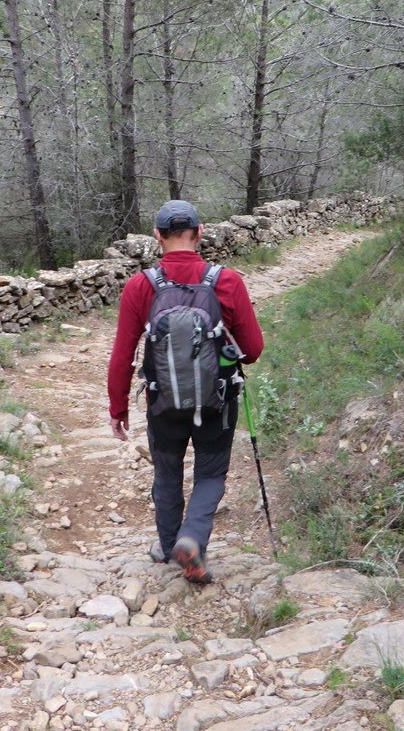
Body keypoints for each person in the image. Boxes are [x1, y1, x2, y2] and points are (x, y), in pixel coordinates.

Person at [107, 200, 264, 583]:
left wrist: (118, 407)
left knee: (167, 470)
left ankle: (167, 545)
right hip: (216, 400)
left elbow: (123, 354)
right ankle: (192, 539)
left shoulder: (141, 285)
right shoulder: (225, 281)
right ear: (201, 232)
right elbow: (254, 350)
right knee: (210, 473)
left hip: (163, 400)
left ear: (157, 236)